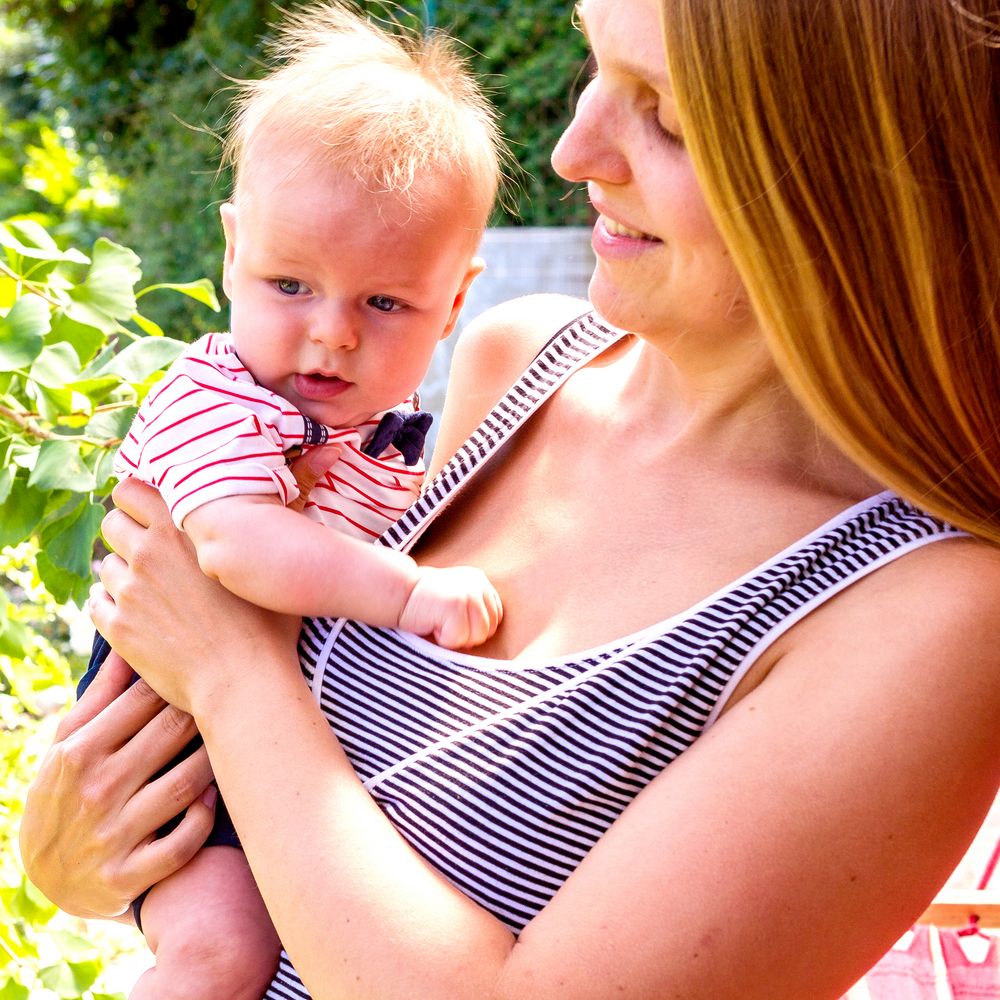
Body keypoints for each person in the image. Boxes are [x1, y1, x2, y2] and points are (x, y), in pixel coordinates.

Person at [19, 0, 1000, 996]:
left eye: (664, 116)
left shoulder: (929, 618)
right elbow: (210, 840)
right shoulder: (519, 363)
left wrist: (232, 675)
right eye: (594, 66)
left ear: (860, 179)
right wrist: (71, 859)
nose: (576, 151)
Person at [67, 3, 504, 996]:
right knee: (223, 955)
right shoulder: (217, 395)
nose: (332, 336)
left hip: (265, 746)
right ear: (232, 252)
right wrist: (403, 592)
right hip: (166, 743)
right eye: (290, 284)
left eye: (384, 302)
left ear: (456, 300)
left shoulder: (376, 437)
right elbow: (237, 547)